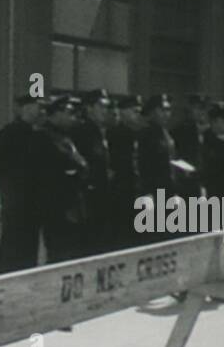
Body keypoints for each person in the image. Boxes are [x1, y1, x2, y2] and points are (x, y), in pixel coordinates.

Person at [0, 95, 45, 273]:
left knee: (29, 246)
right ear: (24, 109)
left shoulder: (35, 134)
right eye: (35, 107)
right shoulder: (9, 133)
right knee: (13, 244)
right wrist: (8, 192)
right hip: (15, 200)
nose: (39, 111)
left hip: (32, 201)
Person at [32, 95, 89, 263]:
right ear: (56, 113)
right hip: (57, 206)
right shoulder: (43, 137)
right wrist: (76, 170)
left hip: (73, 205)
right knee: (60, 253)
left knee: (74, 252)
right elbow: (53, 171)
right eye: (69, 112)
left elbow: (81, 165)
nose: (74, 117)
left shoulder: (65, 137)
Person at [72, 88, 115, 255]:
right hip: (89, 199)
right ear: (89, 108)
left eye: (106, 107)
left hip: (103, 197)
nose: (105, 110)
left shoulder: (100, 132)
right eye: (101, 106)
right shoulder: (81, 132)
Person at [107, 94, 145, 250]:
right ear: (122, 112)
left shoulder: (137, 133)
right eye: (134, 111)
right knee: (123, 238)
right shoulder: (115, 133)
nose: (138, 115)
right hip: (121, 192)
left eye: (139, 112)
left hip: (135, 191)